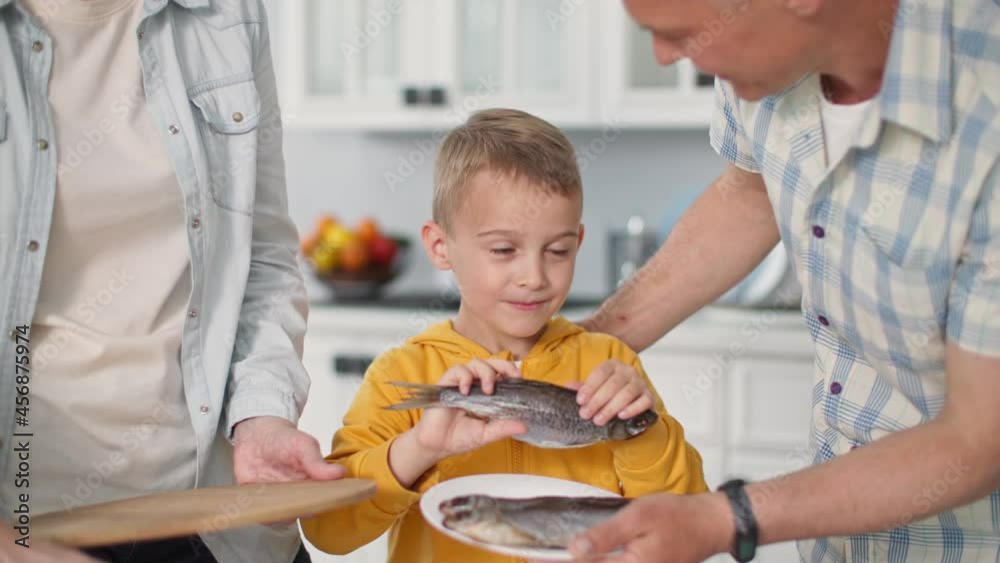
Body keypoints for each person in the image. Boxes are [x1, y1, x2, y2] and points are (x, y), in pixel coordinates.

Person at [566, 0, 1000, 562]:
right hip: (836, 536)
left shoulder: (985, 112)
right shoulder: (767, 58)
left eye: (681, 32)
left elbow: (978, 439)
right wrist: (590, 340)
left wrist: (729, 517)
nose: (666, 56)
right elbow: (751, 191)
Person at [0, 1, 344, 561]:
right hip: (33, 523)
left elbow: (264, 259)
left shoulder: (224, 17)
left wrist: (262, 418)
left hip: (216, 515)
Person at [298, 108, 708, 562]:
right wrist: (420, 449)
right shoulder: (405, 372)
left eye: (557, 250)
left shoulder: (609, 365)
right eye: (503, 249)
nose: (533, 276)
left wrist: (641, 430)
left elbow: (685, 527)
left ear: (579, 241)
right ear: (441, 246)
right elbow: (329, 530)